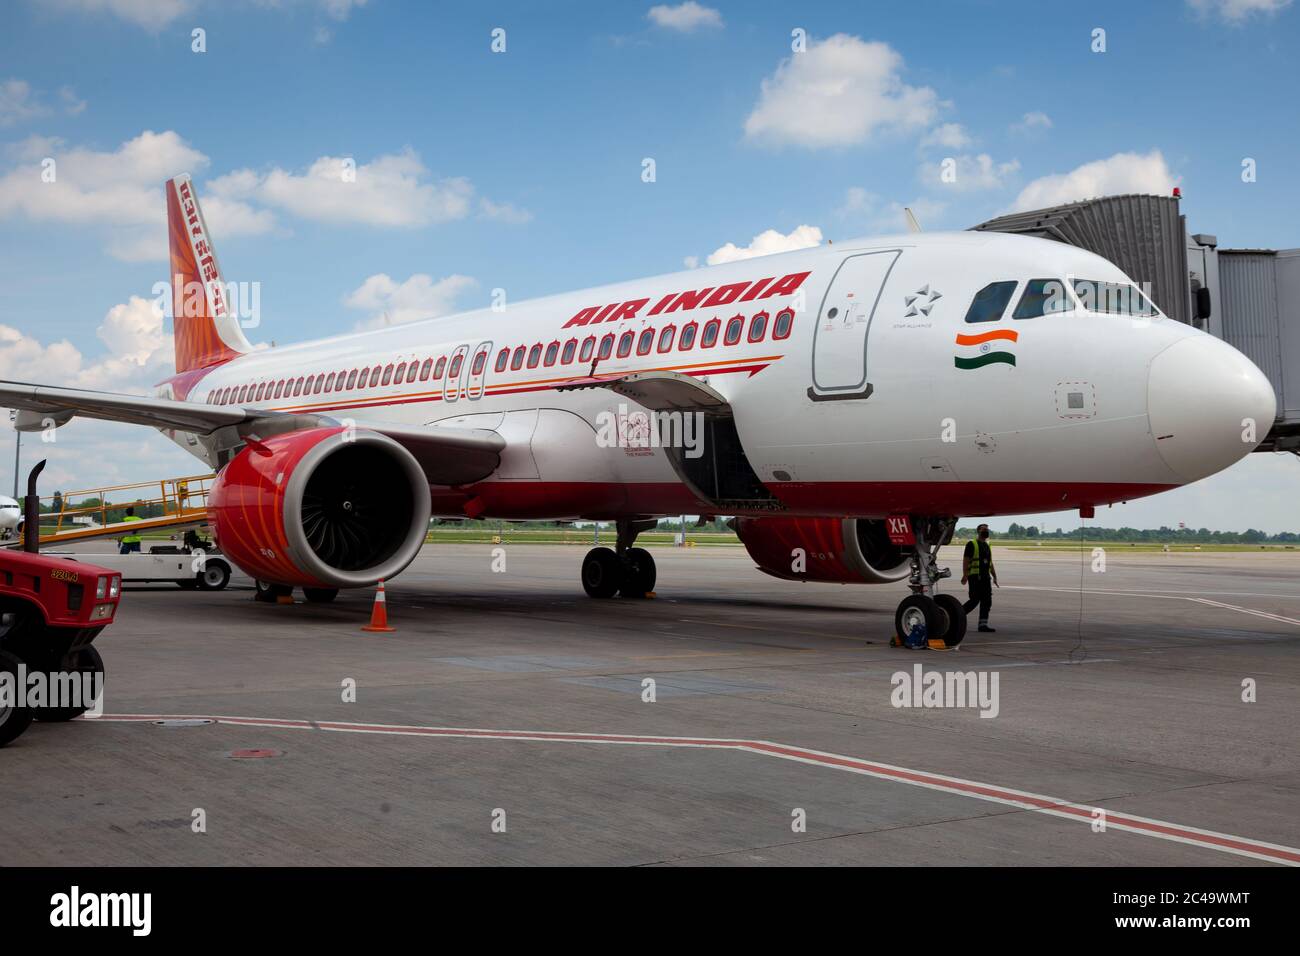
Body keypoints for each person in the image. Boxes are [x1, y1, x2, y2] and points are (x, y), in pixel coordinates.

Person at [960, 523, 998, 632]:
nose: (986, 531)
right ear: (978, 531)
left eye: (987, 529)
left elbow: (990, 563)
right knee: (974, 600)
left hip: (986, 578)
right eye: (983, 529)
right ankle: (957, 615)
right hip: (975, 577)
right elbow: (966, 560)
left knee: (987, 601)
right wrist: (965, 575)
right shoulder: (972, 544)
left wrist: (994, 576)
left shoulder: (987, 545)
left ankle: (983, 625)